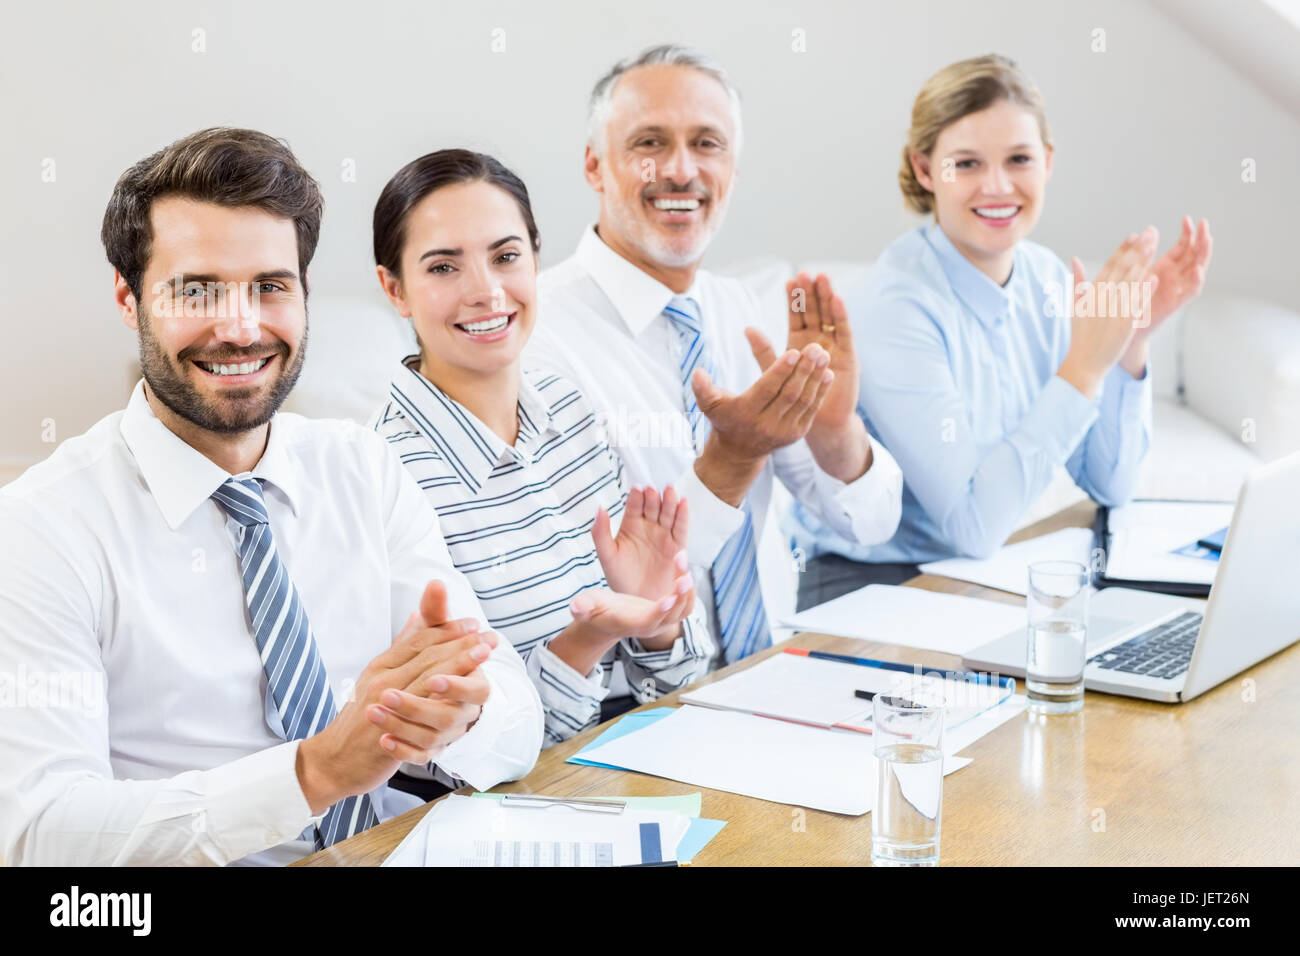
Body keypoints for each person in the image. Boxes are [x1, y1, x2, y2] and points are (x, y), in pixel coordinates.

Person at [0, 128, 543, 866]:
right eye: (197, 289)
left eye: (269, 286)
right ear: (129, 298)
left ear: (304, 293)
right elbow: (42, 832)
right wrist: (316, 774)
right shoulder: (42, 528)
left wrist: (453, 717)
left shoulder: (364, 469)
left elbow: (511, 708)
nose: (241, 326)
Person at [788, 54, 1214, 610]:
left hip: (985, 576)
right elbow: (971, 525)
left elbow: (1111, 486)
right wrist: (1084, 368)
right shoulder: (895, 308)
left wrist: (1131, 341)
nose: (997, 186)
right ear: (924, 170)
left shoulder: (1045, 276)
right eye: (966, 164)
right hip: (876, 591)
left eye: (1018, 159)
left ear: (1048, 163)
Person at [528, 44, 904, 662]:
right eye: (649, 143)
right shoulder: (539, 335)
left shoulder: (745, 313)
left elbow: (869, 523)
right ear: (595, 166)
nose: (680, 171)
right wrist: (732, 459)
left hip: (777, 670)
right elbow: (596, 584)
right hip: (632, 701)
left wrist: (836, 431)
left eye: (708, 143)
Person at [369, 150, 713, 745]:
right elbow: (472, 749)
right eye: (444, 268)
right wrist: (590, 638)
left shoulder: (570, 408)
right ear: (394, 289)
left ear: (535, 260)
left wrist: (655, 616)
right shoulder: (383, 473)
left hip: (643, 759)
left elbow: (674, 688)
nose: (486, 291)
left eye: (506, 257)